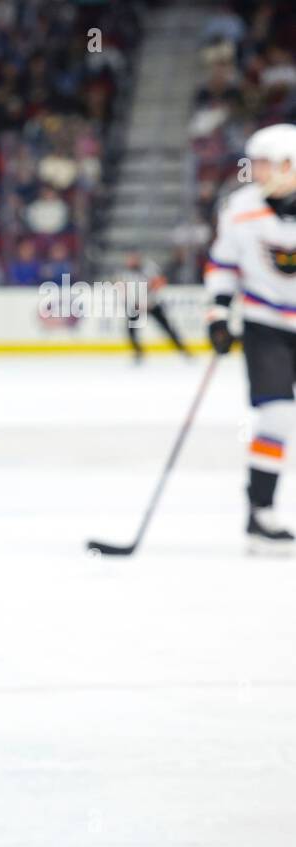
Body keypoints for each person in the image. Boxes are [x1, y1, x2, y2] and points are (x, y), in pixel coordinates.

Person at [204, 123, 296, 550]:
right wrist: (218, 316)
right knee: (277, 416)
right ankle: (261, 513)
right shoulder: (240, 208)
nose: (255, 171)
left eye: (264, 163)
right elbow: (222, 264)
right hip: (267, 325)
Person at [117, 251, 188, 361]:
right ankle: (138, 352)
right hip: (136, 306)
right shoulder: (125, 273)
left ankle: (183, 350)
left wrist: (148, 300)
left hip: (151, 304)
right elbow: (123, 289)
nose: (130, 262)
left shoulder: (148, 269)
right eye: (129, 260)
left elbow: (160, 282)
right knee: (131, 330)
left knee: (167, 327)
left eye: (133, 259)